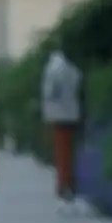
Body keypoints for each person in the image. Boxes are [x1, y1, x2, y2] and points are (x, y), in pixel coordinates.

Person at [40, 44, 83, 212]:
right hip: (72, 114)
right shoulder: (72, 69)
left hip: (59, 115)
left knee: (61, 154)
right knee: (70, 153)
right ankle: (70, 185)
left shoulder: (53, 69)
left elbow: (49, 92)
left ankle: (62, 187)